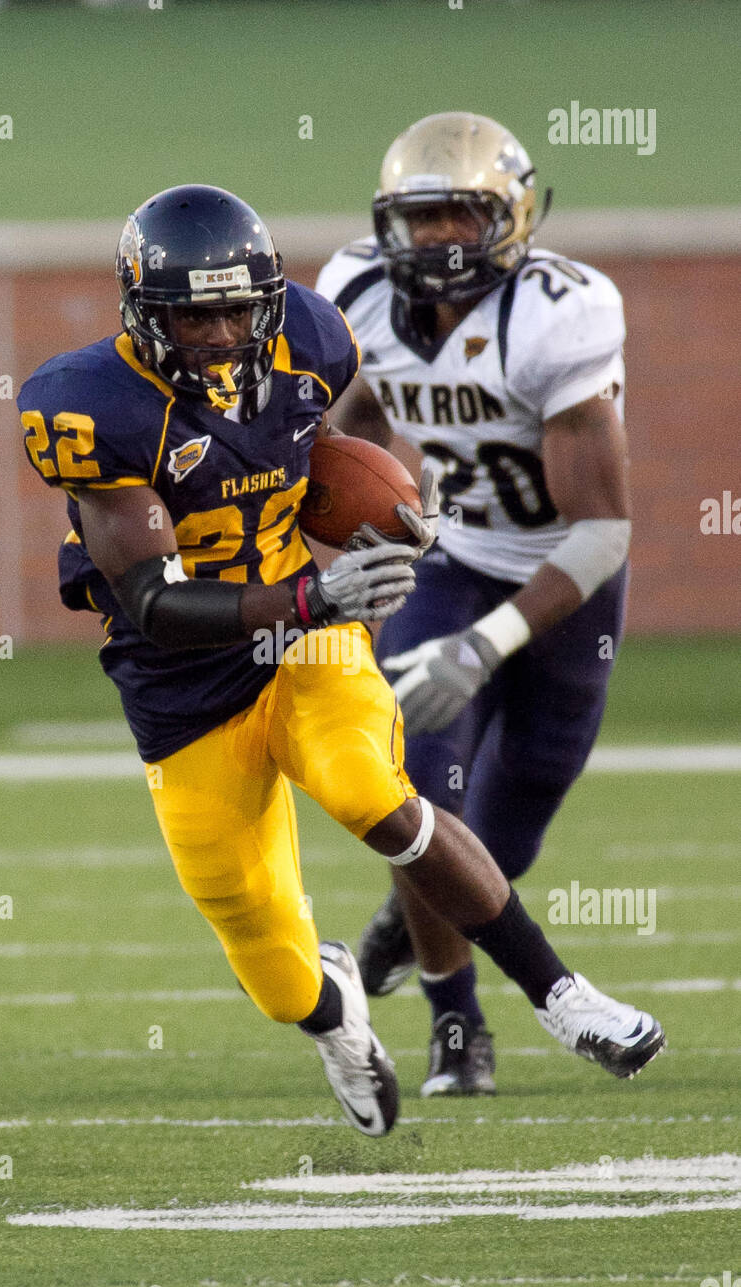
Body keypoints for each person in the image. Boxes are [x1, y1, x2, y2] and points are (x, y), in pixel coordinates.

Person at [18, 183, 664, 1138]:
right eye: (197, 315)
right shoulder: (90, 408)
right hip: (183, 683)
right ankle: (336, 1018)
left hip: (305, 650)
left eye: (240, 308)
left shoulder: (312, 340)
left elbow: (324, 450)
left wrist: (399, 510)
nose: (224, 334)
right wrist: (309, 594)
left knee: (371, 789)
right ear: (144, 316)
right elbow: (153, 604)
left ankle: (561, 996)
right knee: (265, 951)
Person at [316, 113, 636, 1099]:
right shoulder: (357, 295)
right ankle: (458, 1026)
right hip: (451, 559)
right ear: (389, 223)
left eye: (466, 214)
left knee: (509, 827)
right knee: (415, 791)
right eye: (425, 218)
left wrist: (485, 646)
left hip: (563, 574)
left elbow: (603, 529)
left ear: (514, 215)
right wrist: (369, 544)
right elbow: (357, 436)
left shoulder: (561, 313)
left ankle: (399, 929)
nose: (444, 238)